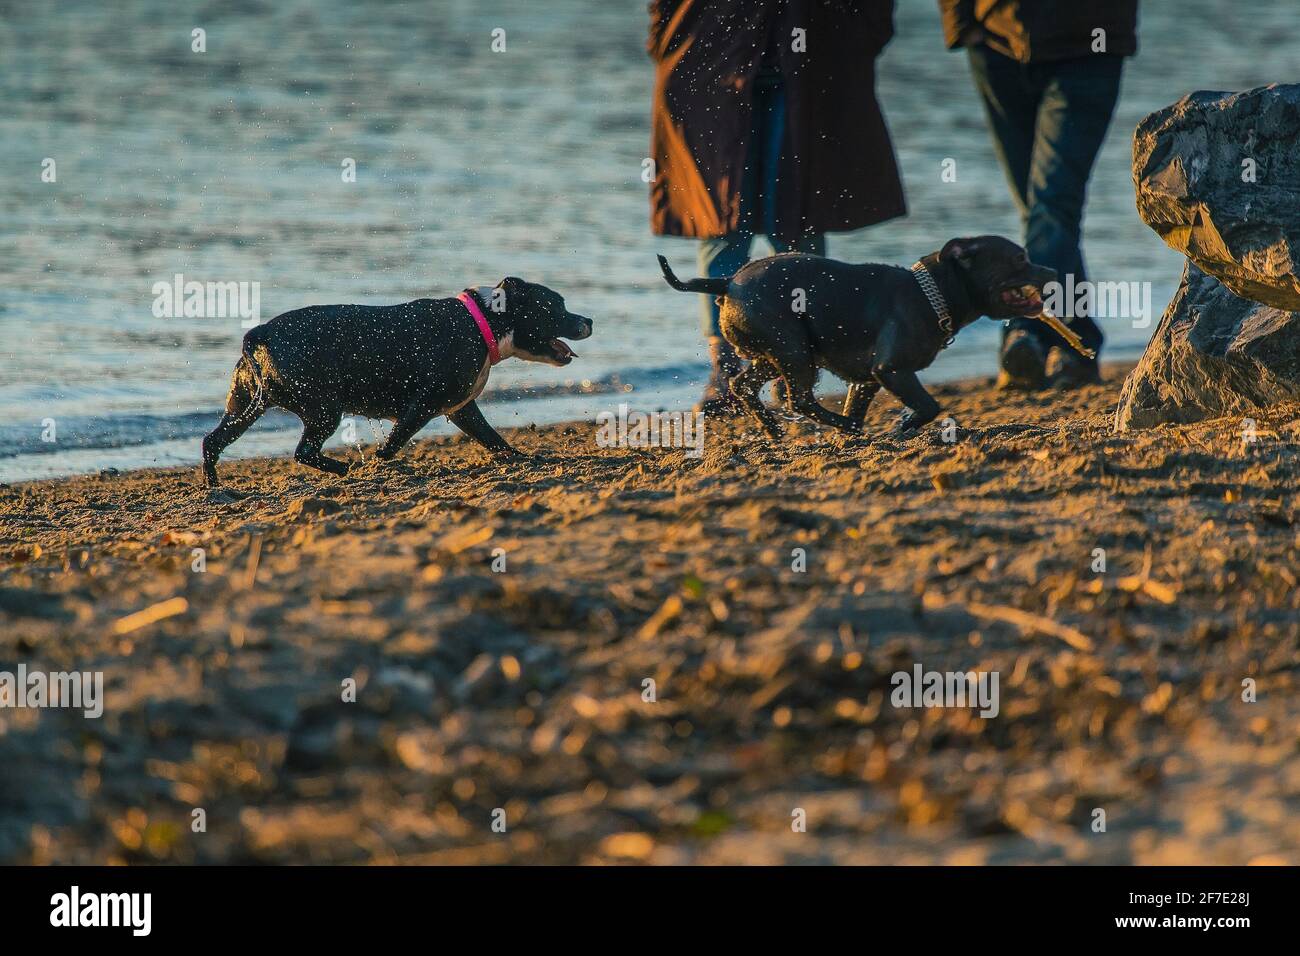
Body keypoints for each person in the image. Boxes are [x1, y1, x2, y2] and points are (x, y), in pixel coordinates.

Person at [648, 0, 905, 412]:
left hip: (814, 58)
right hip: (712, 53)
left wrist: (867, 32)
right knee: (722, 223)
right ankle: (727, 368)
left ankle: (796, 364)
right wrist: (665, 34)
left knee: (798, 217)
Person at [939, 0, 1139, 389]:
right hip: (996, 42)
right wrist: (962, 24)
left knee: (1052, 202)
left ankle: (1026, 331)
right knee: (1040, 210)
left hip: (1089, 47)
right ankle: (1076, 342)